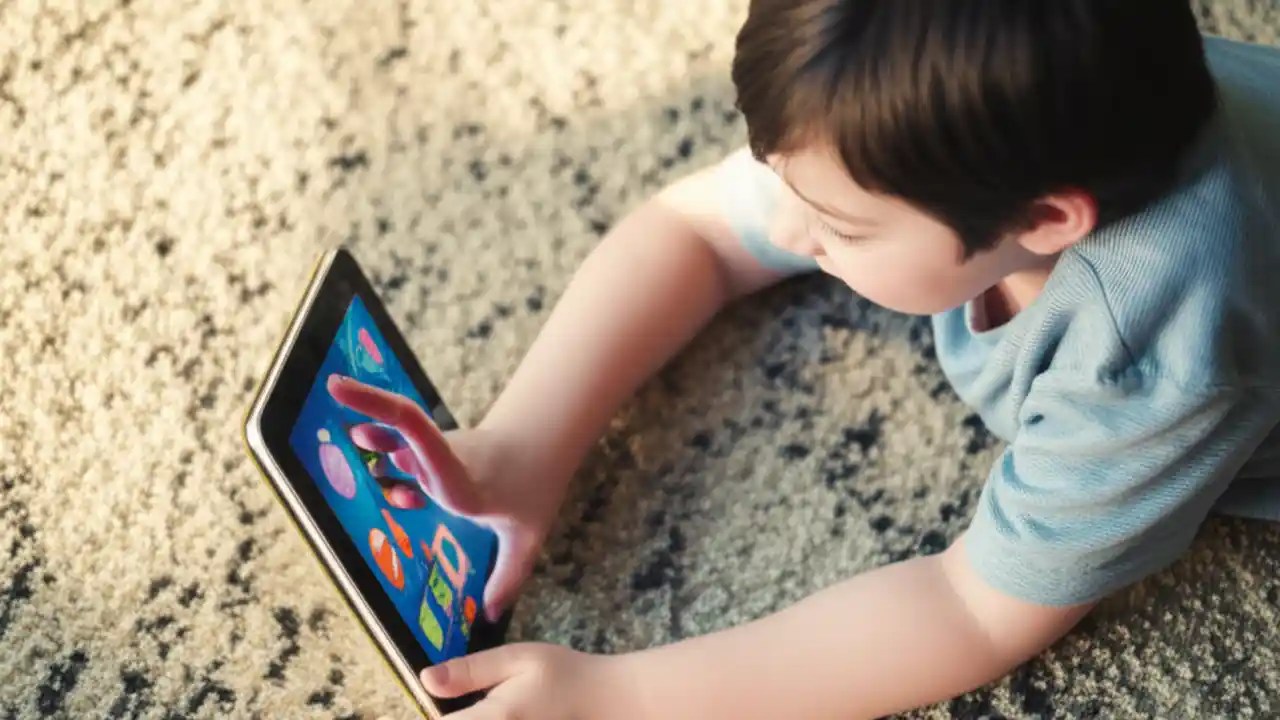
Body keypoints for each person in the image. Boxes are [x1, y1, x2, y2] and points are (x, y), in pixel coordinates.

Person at [384, 2, 1280, 717]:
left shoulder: (1149, 358)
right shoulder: (980, 101)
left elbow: (970, 610)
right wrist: (526, 442)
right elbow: (698, 231)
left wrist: (621, 698)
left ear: (1044, 219)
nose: (788, 229)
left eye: (841, 227)